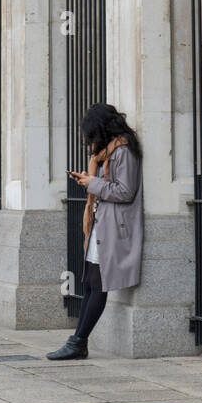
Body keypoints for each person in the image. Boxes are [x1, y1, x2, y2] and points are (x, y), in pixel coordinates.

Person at [46, 103, 143, 361]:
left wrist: (94, 183)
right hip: (101, 224)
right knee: (89, 282)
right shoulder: (105, 155)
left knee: (98, 285)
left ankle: (78, 342)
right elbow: (107, 186)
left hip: (113, 228)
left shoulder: (123, 151)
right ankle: (78, 341)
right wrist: (89, 181)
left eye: (91, 135)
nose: (90, 142)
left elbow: (125, 191)